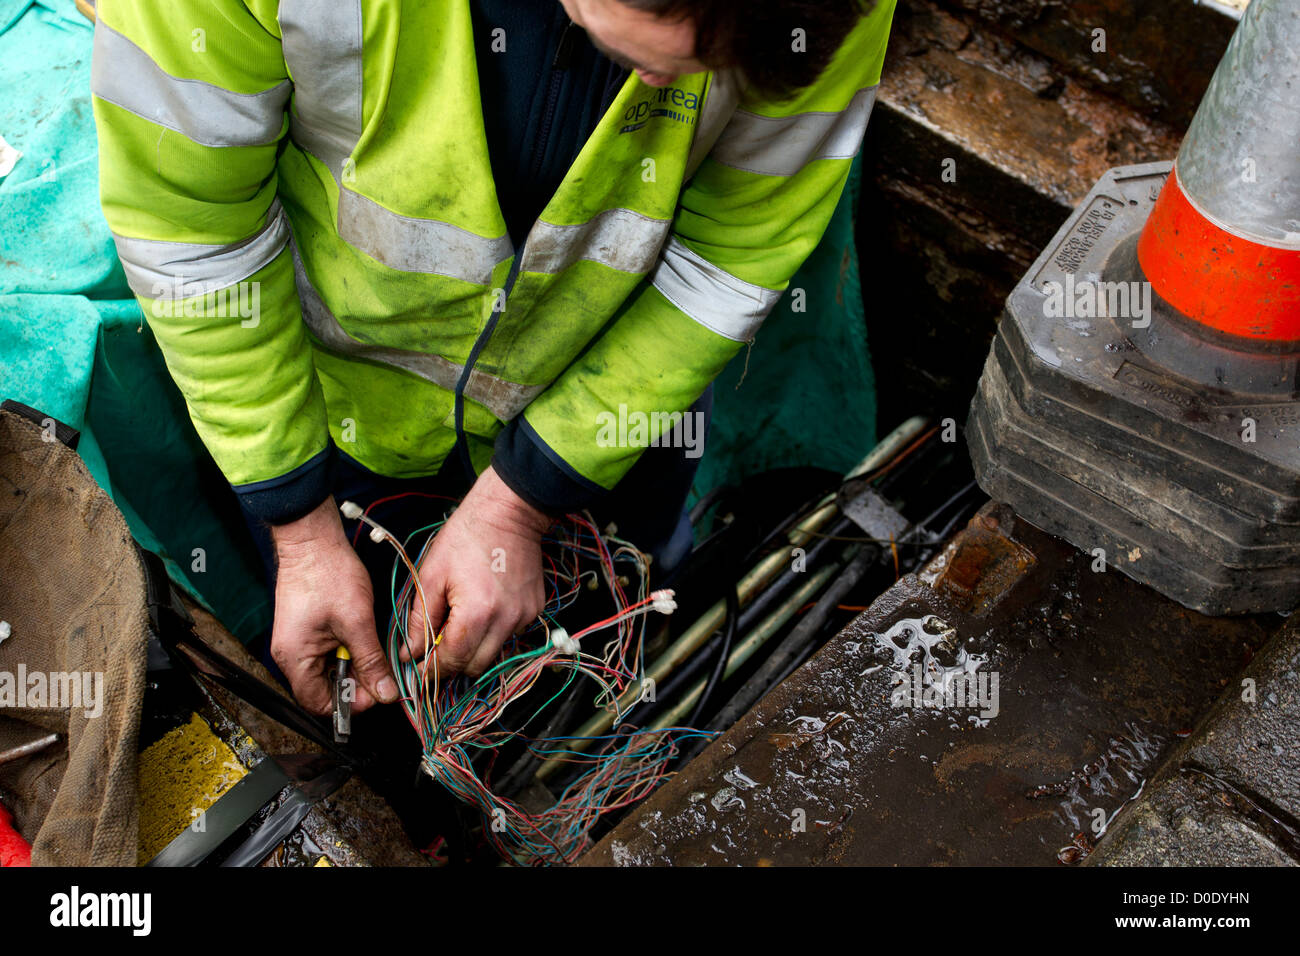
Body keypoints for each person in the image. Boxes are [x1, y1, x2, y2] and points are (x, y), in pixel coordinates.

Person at [91, 0, 896, 717]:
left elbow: (732, 258)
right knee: (390, 686)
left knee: (595, 654)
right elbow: (191, 230)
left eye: (708, 75)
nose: (666, 89)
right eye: (647, 56)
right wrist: (300, 529)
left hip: (612, 422)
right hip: (346, 419)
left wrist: (523, 501)